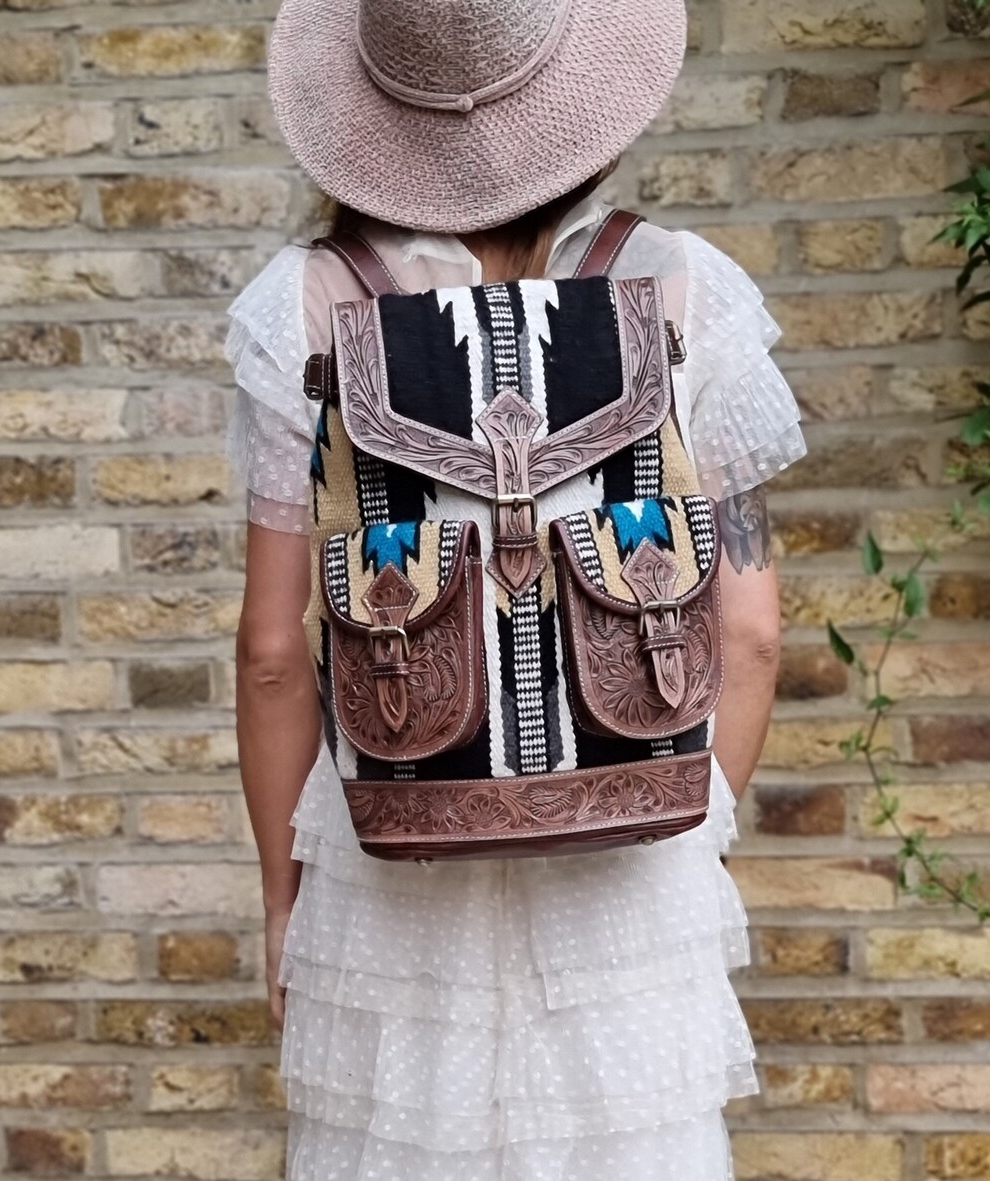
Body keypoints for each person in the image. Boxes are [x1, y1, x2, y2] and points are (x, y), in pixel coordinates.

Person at [224, 0, 807, 1176]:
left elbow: (274, 652)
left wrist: (288, 900)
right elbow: (748, 633)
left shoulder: (302, 305)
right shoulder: (685, 285)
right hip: (631, 869)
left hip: (390, 860)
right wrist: (691, 835)